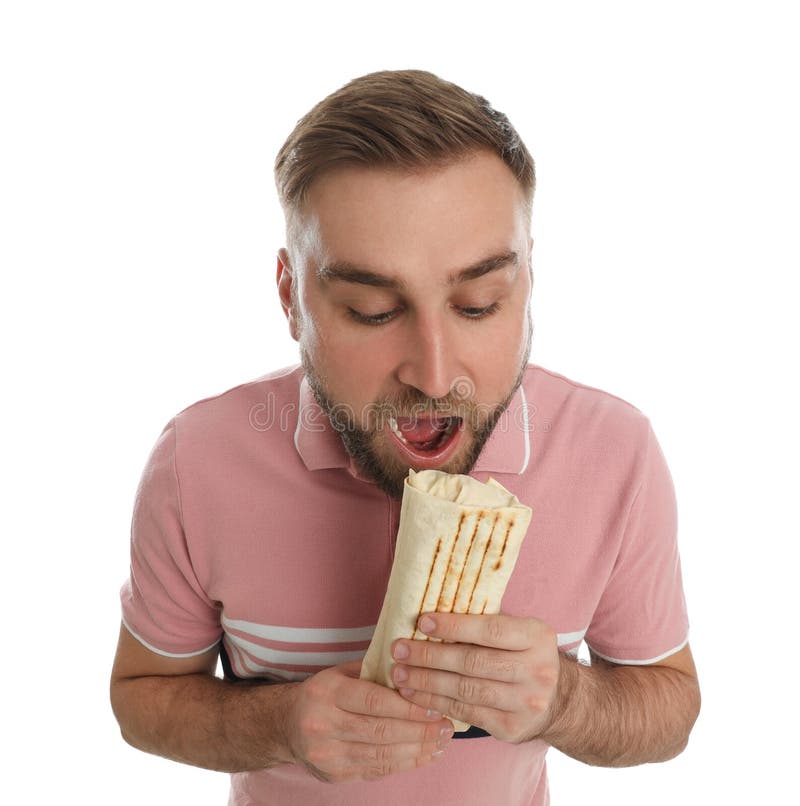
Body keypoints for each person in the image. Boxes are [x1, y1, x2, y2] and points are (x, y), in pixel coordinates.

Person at [110, 69, 700, 805]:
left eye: (478, 304)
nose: (434, 374)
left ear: (527, 279)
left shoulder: (615, 453)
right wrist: (280, 724)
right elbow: (142, 694)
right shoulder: (196, 461)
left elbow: (670, 706)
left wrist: (565, 700)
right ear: (292, 296)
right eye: (373, 311)